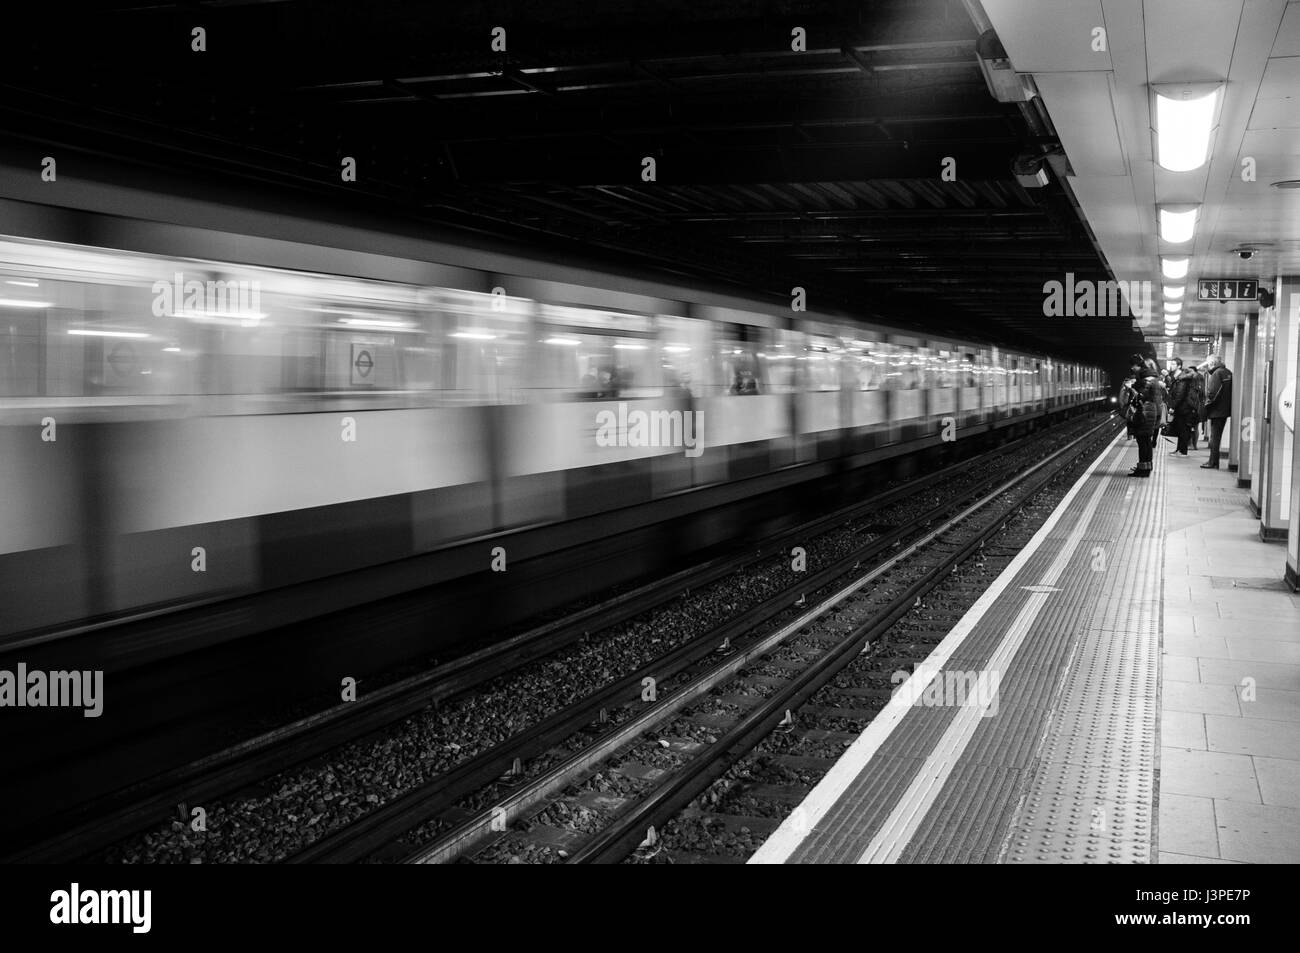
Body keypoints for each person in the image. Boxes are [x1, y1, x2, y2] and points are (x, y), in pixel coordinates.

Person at [1125, 362, 1160, 477]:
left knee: (1143, 441)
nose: (1132, 367)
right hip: (1149, 411)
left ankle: (1142, 470)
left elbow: (1141, 396)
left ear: (1141, 367)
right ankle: (1146, 468)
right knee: (1146, 441)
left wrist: (1131, 388)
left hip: (1145, 412)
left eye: (1134, 365)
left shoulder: (1147, 380)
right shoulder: (1152, 378)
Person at [1200, 354, 1233, 469]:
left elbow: (1213, 392)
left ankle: (1213, 462)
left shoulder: (1216, 373)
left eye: (1208, 363)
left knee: (1214, 437)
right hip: (1225, 409)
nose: (1208, 366)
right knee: (1217, 436)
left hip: (1217, 410)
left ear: (1212, 363)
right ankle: (1214, 461)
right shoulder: (1228, 372)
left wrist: (1207, 406)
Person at [1167, 359, 1198, 456]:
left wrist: (1173, 406)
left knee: (1184, 429)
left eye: (1173, 364)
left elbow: (1180, 394)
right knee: (1180, 429)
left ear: (1179, 366)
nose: (1171, 365)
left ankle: (1183, 451)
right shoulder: (1178, 378)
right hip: (1181, 408)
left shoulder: (1182, 379)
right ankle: (1179, 449)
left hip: (1184, 408)